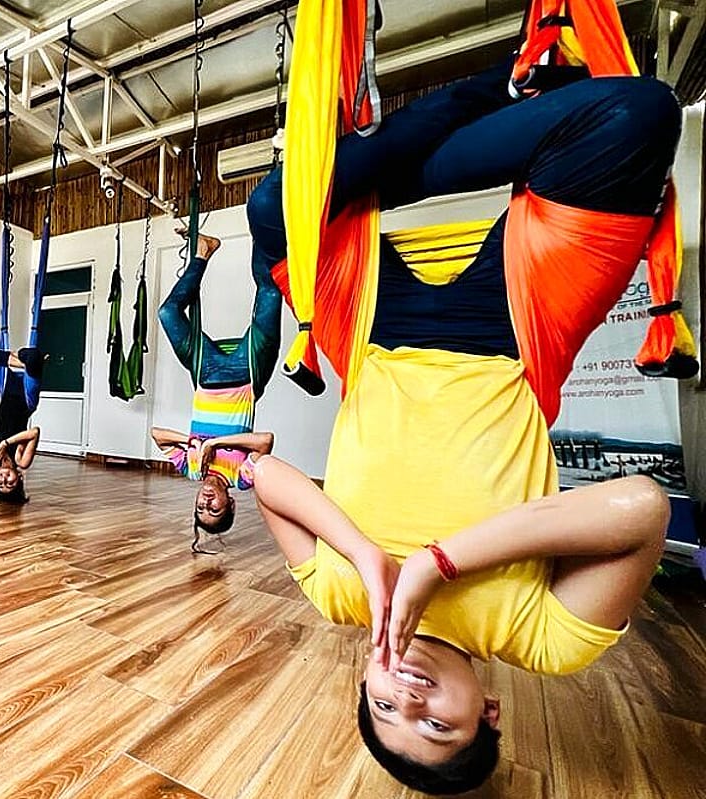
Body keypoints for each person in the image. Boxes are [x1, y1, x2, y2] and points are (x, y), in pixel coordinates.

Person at [249, 62, 682, 794]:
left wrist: (363, 553)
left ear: (366, 676)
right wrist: (433, 563)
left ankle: (476, 114)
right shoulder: (541, 641)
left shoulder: (343, 595)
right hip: (514, 333)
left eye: (383, 704)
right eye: (436, 722)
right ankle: (463, 127)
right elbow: (642, 508)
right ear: (490, 710)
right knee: (637, 114)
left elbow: (262, 474)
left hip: (369, 335)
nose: (409, 695)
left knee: (272, 211)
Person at [151, 212, 283, 540]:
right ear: (231, 504)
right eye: (215, 509)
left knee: (167, 313)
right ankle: (263, 230)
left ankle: (203, 252)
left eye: (200, 508)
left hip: (205, 372)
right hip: (246, 373)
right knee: (269, 293)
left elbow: (157, 435)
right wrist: (218, 443)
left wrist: (195, 445)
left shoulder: (192, 468)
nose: (207, 501)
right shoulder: (243, 477)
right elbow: (264, 441)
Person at [0, 347, 43, 504]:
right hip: (26, 398)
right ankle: (27, 362)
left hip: (7, 390)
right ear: (19, 478)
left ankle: (21, 362)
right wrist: (6, 443)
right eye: (10, 483)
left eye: (0, 482)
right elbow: (34, 432)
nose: (4, 478)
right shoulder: (21, 462)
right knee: (32, 356)